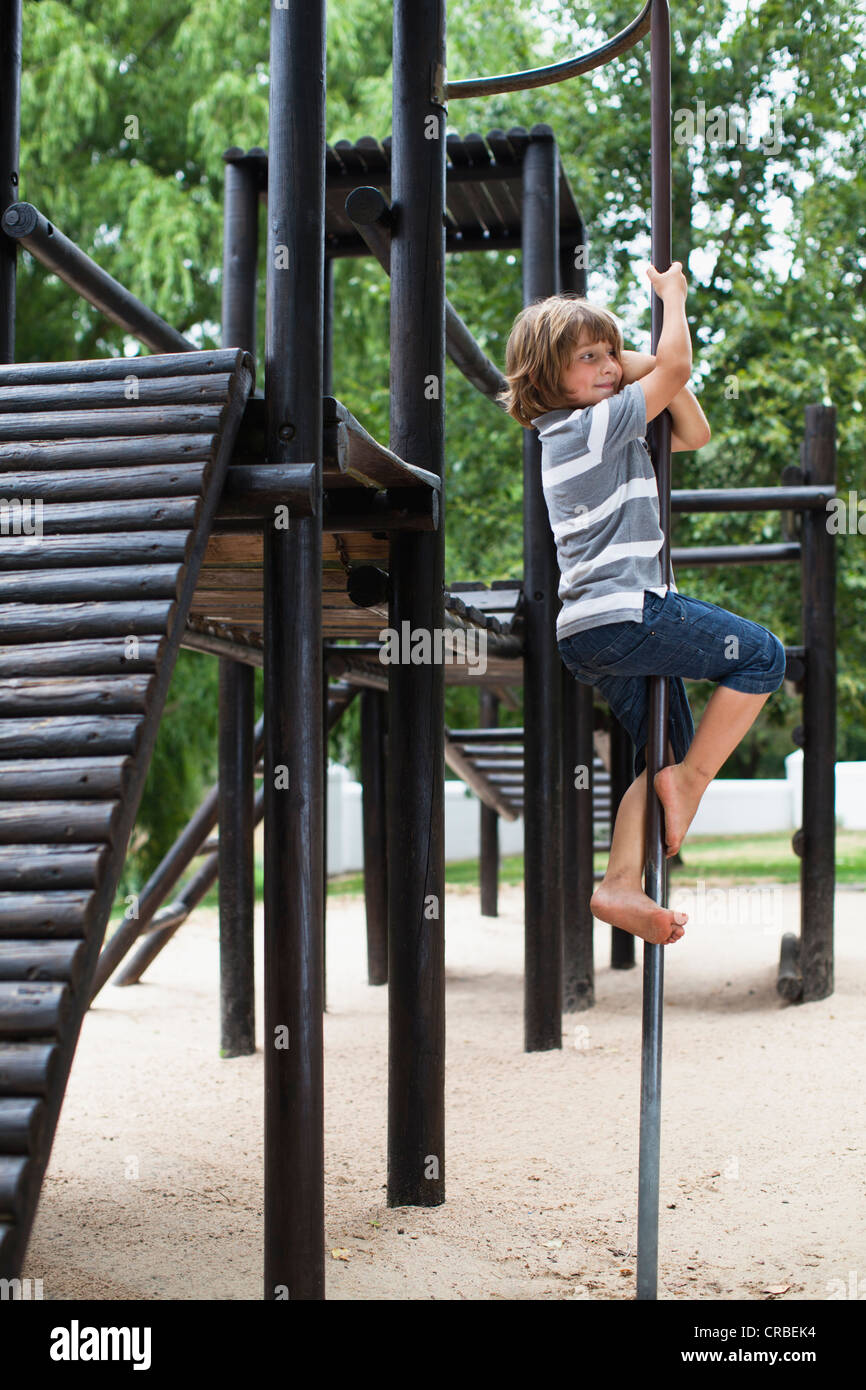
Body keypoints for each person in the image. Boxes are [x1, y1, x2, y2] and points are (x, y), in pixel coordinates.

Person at [497, 264, 786, 946]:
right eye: (587, 358)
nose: (606, 367)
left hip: (596, 632)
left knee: (655, 758)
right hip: (628, 612)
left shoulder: (590, 428)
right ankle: (691, 781)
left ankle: (620, 882)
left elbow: (692, 431)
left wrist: (616, 359)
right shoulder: (585, 428)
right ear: (546, 378)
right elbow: (676, 367)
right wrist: (673, 302)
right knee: (763, 658)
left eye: (608, 355)